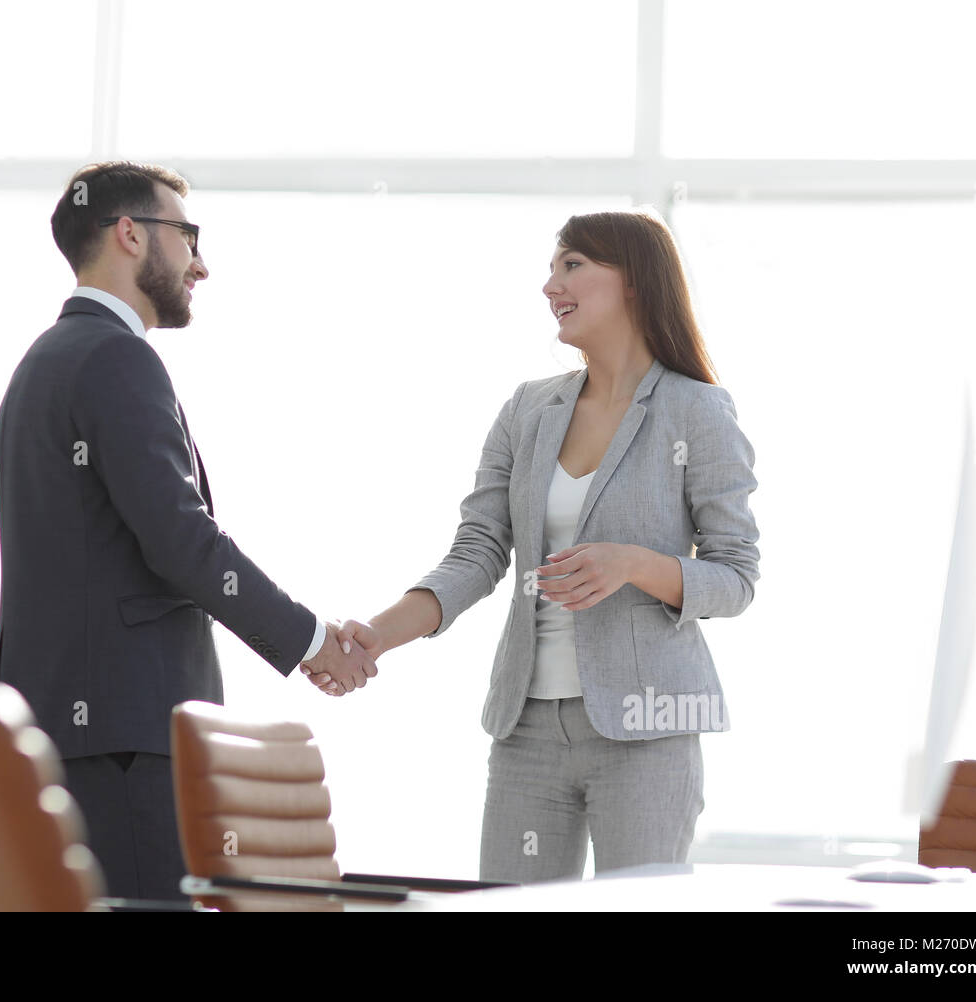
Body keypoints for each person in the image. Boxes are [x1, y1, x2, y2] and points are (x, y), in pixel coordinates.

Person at [322, 209, 760, 883]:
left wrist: (633, 565)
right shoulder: (529, 409)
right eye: (553, 267)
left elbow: (735, 577)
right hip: (526, 729)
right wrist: (376, 636)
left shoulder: (696, 411)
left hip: (648, 731)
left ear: (636, 282)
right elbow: (477, 551)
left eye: (572, 266)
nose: (551, 284)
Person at [0, 161, 376, 903]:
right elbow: (180, 542)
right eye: (186, 235)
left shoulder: (40, 363)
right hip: (126, 736)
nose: (202, 262)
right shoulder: (116, 358)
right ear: (130, 235)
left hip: (66, 732)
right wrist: (310, 640)